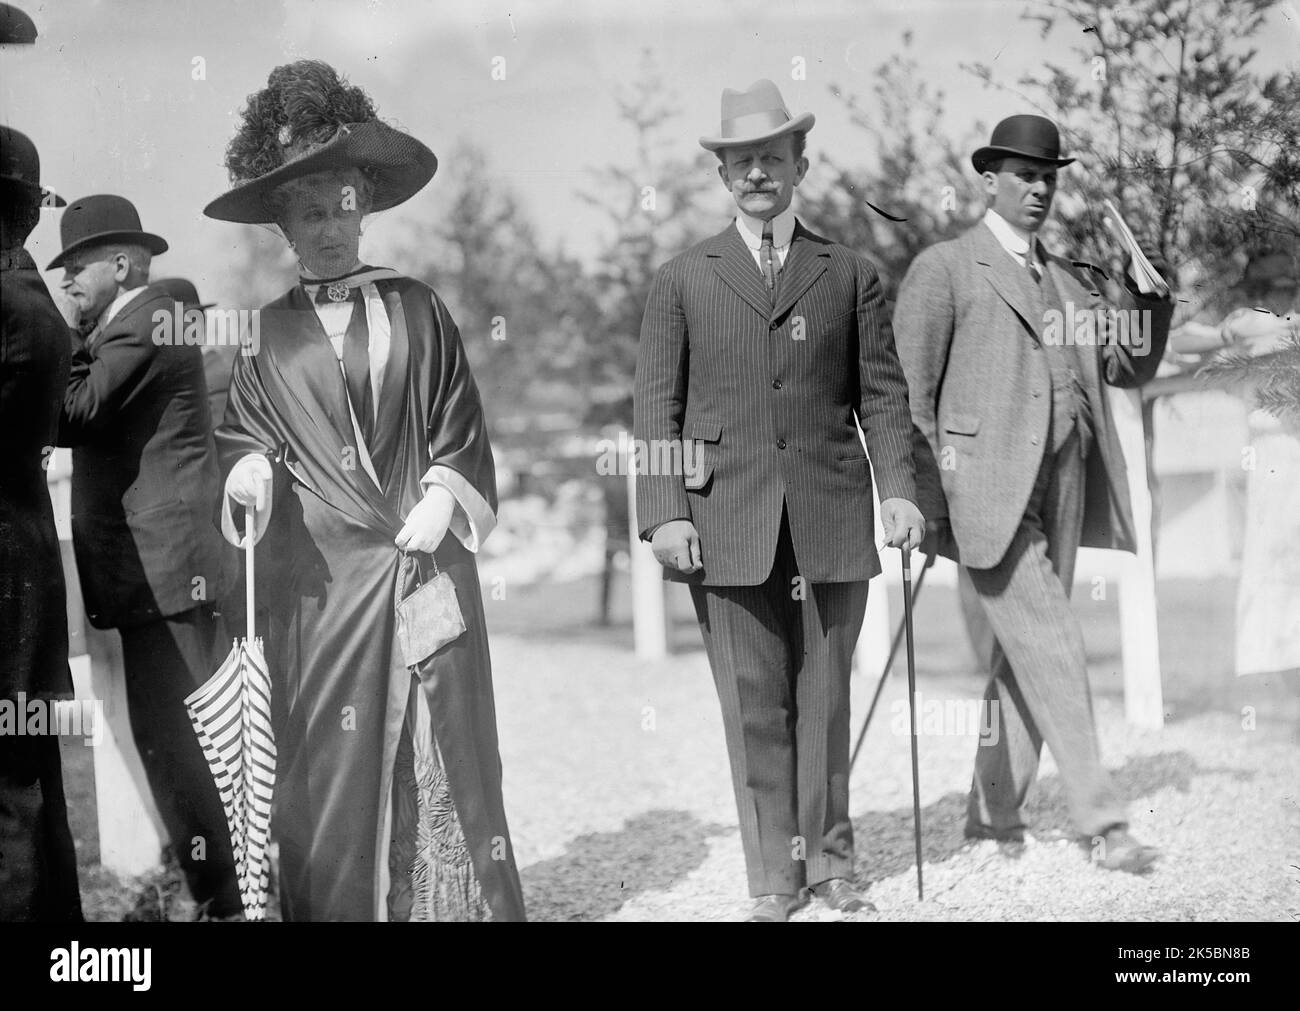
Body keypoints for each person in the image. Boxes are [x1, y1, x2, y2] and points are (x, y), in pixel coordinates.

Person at [204, 59, 526, 922]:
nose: (330, 228)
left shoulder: (419, 308)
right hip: (330, 582)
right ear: (282, 224)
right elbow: (245, 431)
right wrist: (246, 470)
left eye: (342, 206)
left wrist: (445, 493)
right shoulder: (265, 334)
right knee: (336, 756)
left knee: (444, 738)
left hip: (427, 561)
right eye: (309, 212)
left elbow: (460, 417)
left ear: (365, 206)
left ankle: (450, 909)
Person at [634, 79, 926, 921]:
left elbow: (883, 395)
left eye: (772, 156)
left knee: (826, 701)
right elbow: (658, 405)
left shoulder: (852, 274)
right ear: (723, 175)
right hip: (722, 524)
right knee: (754, 704)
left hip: (832, 515)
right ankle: (773, 877)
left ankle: (831, 867)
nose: (757, 171)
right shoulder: (682, 279)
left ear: (799, 163)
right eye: (741, 160)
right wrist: (666, 512)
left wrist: (899, 493)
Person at [893, 114, 1173, 872]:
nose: (1040, 189)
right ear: (990, 179)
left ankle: (992, 813)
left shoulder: (1072, 279)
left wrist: (1150, 302)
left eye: (1049, 176)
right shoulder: (946, 267)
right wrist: (926, 497)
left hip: (1068, 485)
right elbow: (907, 395)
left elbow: (1124, 368)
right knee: (1054, 640)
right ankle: (1104, 822)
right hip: (985, 495)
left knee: (1025, 657)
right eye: (1024, 175)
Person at [49, 194, 241, 917]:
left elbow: (75, 410)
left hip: (172, 572)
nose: (66, 279)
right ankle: (215, 892)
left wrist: (58, 331)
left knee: (190, 742)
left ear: (121, 263)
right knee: (173, 740)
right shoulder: (137, 317)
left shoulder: (149, 314)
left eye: (76, 266)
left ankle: (226, 898)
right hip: (155, 574)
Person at [0, 125, 81, 922]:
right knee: (30, 782)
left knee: (8, 801)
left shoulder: (10, 305)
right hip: (22, 573)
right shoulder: (36, 300)